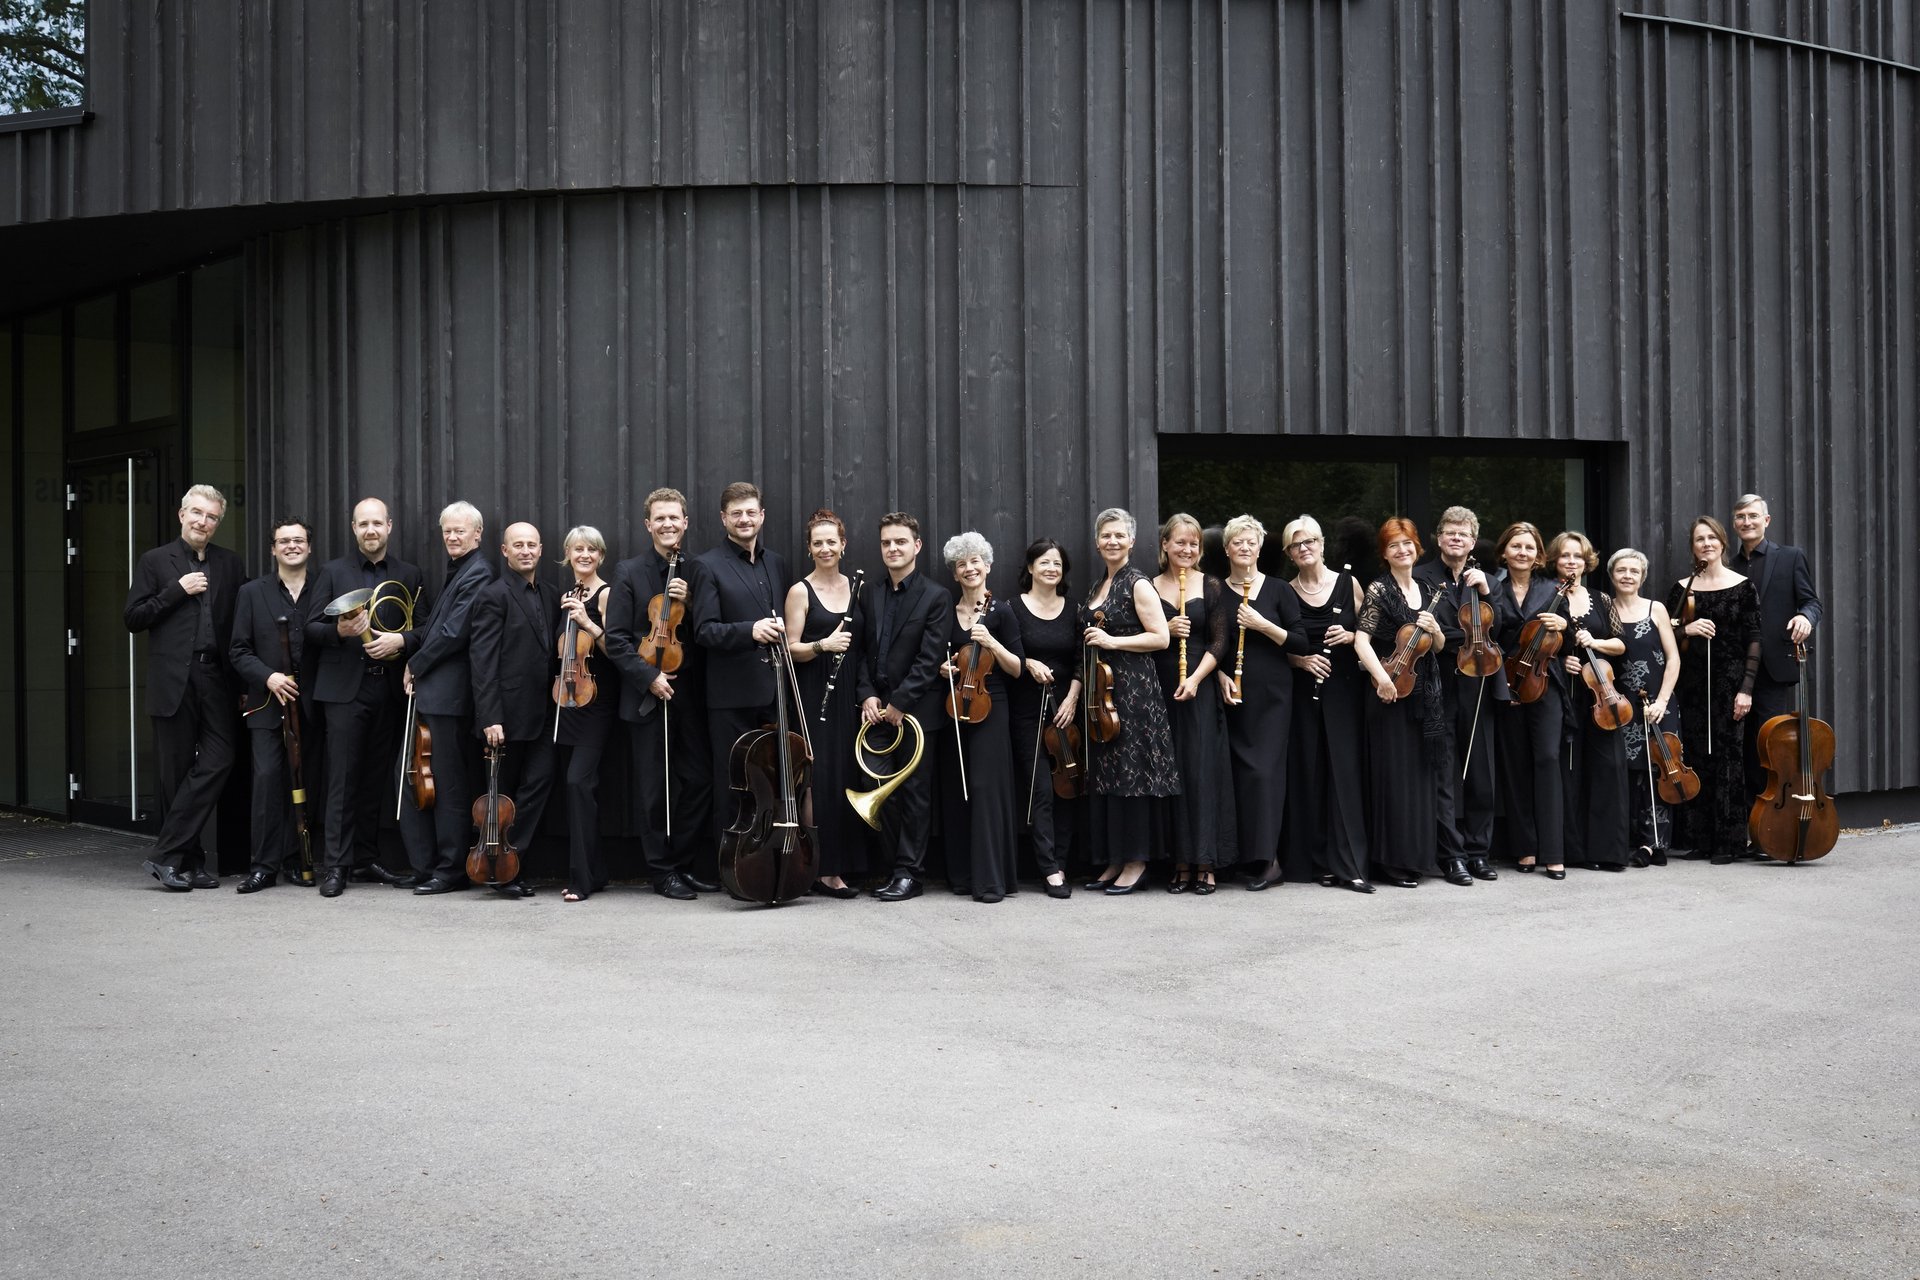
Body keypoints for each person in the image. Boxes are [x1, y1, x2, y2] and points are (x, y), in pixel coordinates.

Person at [124, 484, 246, 891]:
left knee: (220, 759)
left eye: (211, 517)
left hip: (217, 677)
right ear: (182, 515)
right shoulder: (155, 561)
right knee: (175, 775)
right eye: (197, 513)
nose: (203, 522)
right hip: (173, 679)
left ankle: (164, 856)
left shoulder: (229, 564)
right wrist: (177, 591)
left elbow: (240, 622)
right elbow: (134, 617)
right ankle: (187, 863)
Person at [302, 498, 426, 892]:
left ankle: (366, 859)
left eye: (377, 523)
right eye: (363, 524)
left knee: (374, 778)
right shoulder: (332, 571)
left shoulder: (409, 573)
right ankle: (336, 864)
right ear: (353, 528)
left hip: (387, 689)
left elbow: (424, 628)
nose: (370, 530)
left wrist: (400, 642)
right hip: (343, 691)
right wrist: (339, 632)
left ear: (389, 526)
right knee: (341, 778)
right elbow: (310, 628)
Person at [602, 487, 716, 900]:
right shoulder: (628, 572)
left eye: (675, 518)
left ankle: (682, 862)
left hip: (689, 694)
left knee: (700, 780)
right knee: (653, 789)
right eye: (660, 518)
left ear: (685, 523)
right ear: (648, 524)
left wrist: (696, 599)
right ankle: (661, 870)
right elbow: (615, 639)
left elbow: (708, 630)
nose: (668, 524)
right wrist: (648, 676)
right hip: (648, 691)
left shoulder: (698, 570)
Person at [855, 513, 952, 901]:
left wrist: (899, 702)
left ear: (917, 546)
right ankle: (894, 865)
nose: (892, 549)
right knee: (874, 785)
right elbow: (861, 651)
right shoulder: (869, 593)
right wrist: (867, 694)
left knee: (914, 793)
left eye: (900, 542)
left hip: (916, 714)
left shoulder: (935, 595)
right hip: (876, 712)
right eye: (886, 543)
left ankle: (909, 873)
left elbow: (929, 660)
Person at [402, 501, 496, 894]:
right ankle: (428, 866)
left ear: (478, 534)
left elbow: (453, 633)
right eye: (447, 532)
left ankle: (451, 869)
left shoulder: (478, 573)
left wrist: (414, 665)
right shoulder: (459, 571)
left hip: (450, 697)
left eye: (460, 531)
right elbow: (434, 627)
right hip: (436, 696)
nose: (452, 537)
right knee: (425, 782)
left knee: (449, 786)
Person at [1081, 508, 1177, 894]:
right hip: (1102, 692)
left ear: (1132, 541)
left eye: (1120, 535)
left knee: (1134, 775)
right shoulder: (1097, 586)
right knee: (1110, 774)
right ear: (1097, 541)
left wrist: (1113, 642)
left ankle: (1136, 862)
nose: (1112, 542)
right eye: (1106, 535)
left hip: (1135, 691)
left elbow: (1161, 638)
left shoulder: (1138, 583)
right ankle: (1116, 858)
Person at [692, 482, 791, 848]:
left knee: (771, 782)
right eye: (736, 513)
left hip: (774, 693)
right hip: (730, 699)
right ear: (724, 519)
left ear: (762, 516)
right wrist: (751, 630)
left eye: (751, 512)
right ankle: (733, 866)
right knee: (734, 784)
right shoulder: (706, 565)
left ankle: (769, 861)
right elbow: (705, 631)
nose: (744, 519)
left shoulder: (776, 562)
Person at [1279, 515, 1372, 893]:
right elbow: (1276, 646)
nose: (1304, 548)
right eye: (1296, 544)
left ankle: (1349, 863)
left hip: (1344, 689)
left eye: (1310, 541)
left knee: (1344, 775)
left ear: (1321, 544)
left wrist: (1350, 636)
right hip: (1304, 692)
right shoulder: (1284, 591)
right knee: (1309, 773)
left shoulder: (1349, 584)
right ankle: (1316, 863)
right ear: (1288, 552)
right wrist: (1300, 661)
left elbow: (1370, 632)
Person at [1352, 518, 1447, 888]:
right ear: (1385, 553)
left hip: (1425, 695)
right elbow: (1361, 640)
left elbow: (1436, 648)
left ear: (1417, 547)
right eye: (1393, 545)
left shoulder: (1426, 588)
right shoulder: (1379, 589)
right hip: (1389, 692)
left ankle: (1418, 858)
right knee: (1394, 778)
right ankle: (1393, 862)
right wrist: (1382, 679)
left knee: (1421, 779)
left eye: (1407, 543)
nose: (1402, 550)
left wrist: (1437, 630)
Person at [468, 521, 559, 898]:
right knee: (500, 797)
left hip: (544, 713)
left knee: (539, 783)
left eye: (531, 544)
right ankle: (498, 871)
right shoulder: (493, 595)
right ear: (504, 551)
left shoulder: (551, 594)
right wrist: (490, 716)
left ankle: (512, 858)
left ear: (540, 550)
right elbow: (483, 660)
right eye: (517, 545)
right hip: (504, 717)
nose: (525, 550)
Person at [227, 519, 318, 893]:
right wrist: (269, 677)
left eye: (299, 540)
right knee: (266, 782)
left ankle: (302, 860)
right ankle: (263, 866)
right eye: (284, 541)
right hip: (267, 702)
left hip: (314, 703)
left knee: (310, 781)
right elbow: (238, 650)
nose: (292, 546)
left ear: (309, 547)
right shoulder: (251, 592)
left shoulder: (324, 587)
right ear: (273, 549)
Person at [1664, 516, 1762, 864]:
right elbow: (1666, 635)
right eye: (1699, 539)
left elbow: (1754, 640)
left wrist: (1746, 689)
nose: (1706, 544)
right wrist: (1688, 630)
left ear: (1722, 542)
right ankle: (1700, 839)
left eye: (1711, 538)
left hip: (1730, 683)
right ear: (1693, 547)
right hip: (1691, 685)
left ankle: (1730, 841)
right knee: (1695, 755)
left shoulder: (1743, 586)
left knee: (1728, 757)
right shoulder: (1683, 588)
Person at [1413, 507, 1502, 884]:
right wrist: (1456, 638)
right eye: (1449, 532)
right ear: (1438, 537)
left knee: (1481, 770)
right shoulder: (1421, 577)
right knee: (1445, 771)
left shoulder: (1488, 581)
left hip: (1478, 681)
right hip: (1439, 682)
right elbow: (1418, 627)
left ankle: (1479, 851)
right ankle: (1452, 855)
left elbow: (1502, 628)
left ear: (1472, 541)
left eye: (1463, 534)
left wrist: (1484, 591)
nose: (1456, 539)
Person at [783, 508, 869, 897]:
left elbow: (863, 647)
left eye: (831, 541)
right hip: (814, 692)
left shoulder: (857, 586)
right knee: (817, 781)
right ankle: (818, 868)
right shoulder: (800, 591)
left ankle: (842, 863)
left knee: (845, 778)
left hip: (847, 693)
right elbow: (790, 649)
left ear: (843, 544)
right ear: (809, 548)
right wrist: (823, 645)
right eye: (817, 542)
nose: (824, 548)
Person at [935, 533, 1026, 902]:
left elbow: (1017, 667)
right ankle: (962, 875)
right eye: (962, 564)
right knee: (957, 790)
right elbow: (938, 657)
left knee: (987, 791)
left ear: (988, 567)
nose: (969, 569)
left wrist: (992, 643)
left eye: (976, 562)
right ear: (955, 574)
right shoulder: (947, 612)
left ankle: (991, 880)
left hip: (992, 705)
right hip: (956, 704)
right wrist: (944, 669)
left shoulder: (1002, 611)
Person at [1729, 494, 1824, 843]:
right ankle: (1744, 829)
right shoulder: (1728, 565)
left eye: (1753, 516)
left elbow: (1811, 601)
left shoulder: (1790, 557)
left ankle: (1769, 827)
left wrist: (1805, 617)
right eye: (1740, 516)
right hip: (1733, 668)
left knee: (1766, 748)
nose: (1746, 522)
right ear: (1734, 523)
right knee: (1738, 751)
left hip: (1773, 668)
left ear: (1766, 521)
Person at [1150, 514, 1237, 894]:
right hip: (1162, 685)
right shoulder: (1148, 587)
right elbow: (1139, 635)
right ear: (1165, 545)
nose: (1187, 550)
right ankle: (1180, 861)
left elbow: (1221, 642)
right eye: (1180, 542)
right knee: (1172, 773)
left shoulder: (1211, 585)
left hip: (1197, 683)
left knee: (1202, 770)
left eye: (1193, 544)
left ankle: (1206, 861)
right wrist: (1164, 632)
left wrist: (1197, 678)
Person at [1218, 514, 1297, 889]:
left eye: (1251, 541)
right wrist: (1218, 675)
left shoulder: (1279, 590)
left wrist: (1262, 623)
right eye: (1237, 542)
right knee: (1238, 777)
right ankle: (1245, 856)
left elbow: (1299, 642)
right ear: (1227, 548)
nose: (1244, 547)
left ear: (1260, 547)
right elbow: (1211, 644)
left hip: (1272, 697)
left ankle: (1271, 861)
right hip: (1232, 695)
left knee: (1264, 775)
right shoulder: (1216, 590)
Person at [1491, 521, 1571, 878]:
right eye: (1515, 546)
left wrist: (1564, 626)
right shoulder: (1494, 587)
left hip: (1545, 683)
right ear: (1504, 552)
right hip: (1507, 681)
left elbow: (1568, 640)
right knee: (1515, 764)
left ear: (1539, 555)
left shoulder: (1554, 588)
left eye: (1529, 547)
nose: (1522, 553)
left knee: (1547, 759)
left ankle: (1553, 851)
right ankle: (1524, 848)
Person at [1008, 539, 1083, 899]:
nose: (1051, 568)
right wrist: (1026, 663)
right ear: (1031, 568)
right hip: (1026, 712)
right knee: (1040, 791)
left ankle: (1063, 862)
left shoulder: (1075, 611)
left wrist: (1072, 697)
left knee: (1066, 789)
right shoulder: (1012, 609)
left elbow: (1083, 661)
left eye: (1057, 563)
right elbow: (1004, 654)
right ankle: (1049, 867)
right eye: (1044, 562)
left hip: (1065, 712)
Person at [1552, 531, 1631, 872]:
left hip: (1602, 693)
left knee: (1608, 768)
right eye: (1565, 556)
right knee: (1571, 769)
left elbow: (1621, 645)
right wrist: (1561, 658)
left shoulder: (1602, 599)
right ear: (1555, 561)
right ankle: (1575, 851)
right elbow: (1535, 639)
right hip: (1566, 693)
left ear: (1587, 562)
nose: (1572, 561)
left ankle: (1608, 851)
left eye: (1578, 556)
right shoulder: (1550, 597)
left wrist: (1595, 643)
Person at [1605, 547, 1682, 866]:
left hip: (1658, 702)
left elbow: (1674, 658)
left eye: (1634, 571)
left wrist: (1663, 700)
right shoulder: (1605, 609)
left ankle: (1655, 843)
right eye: (1621, 570)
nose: (1627, 576)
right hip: (1620, 705)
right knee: (1627, 772)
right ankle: (1630, 840)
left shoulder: (1656, 609)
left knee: (1660, 769)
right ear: (1612, 575)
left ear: (1642, 577)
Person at [552, 527, 615, 901]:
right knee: (577, 792)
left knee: (578, 782)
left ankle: (581, 880)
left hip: (597, 703)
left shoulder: (605, 595)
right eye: (578, 549)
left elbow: (614, 648)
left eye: (592, 549)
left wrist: (588, 621)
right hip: (568, 700)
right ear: (568, 554)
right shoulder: (565, 595)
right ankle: (597, 871)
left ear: (601, 555)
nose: (585, 555)